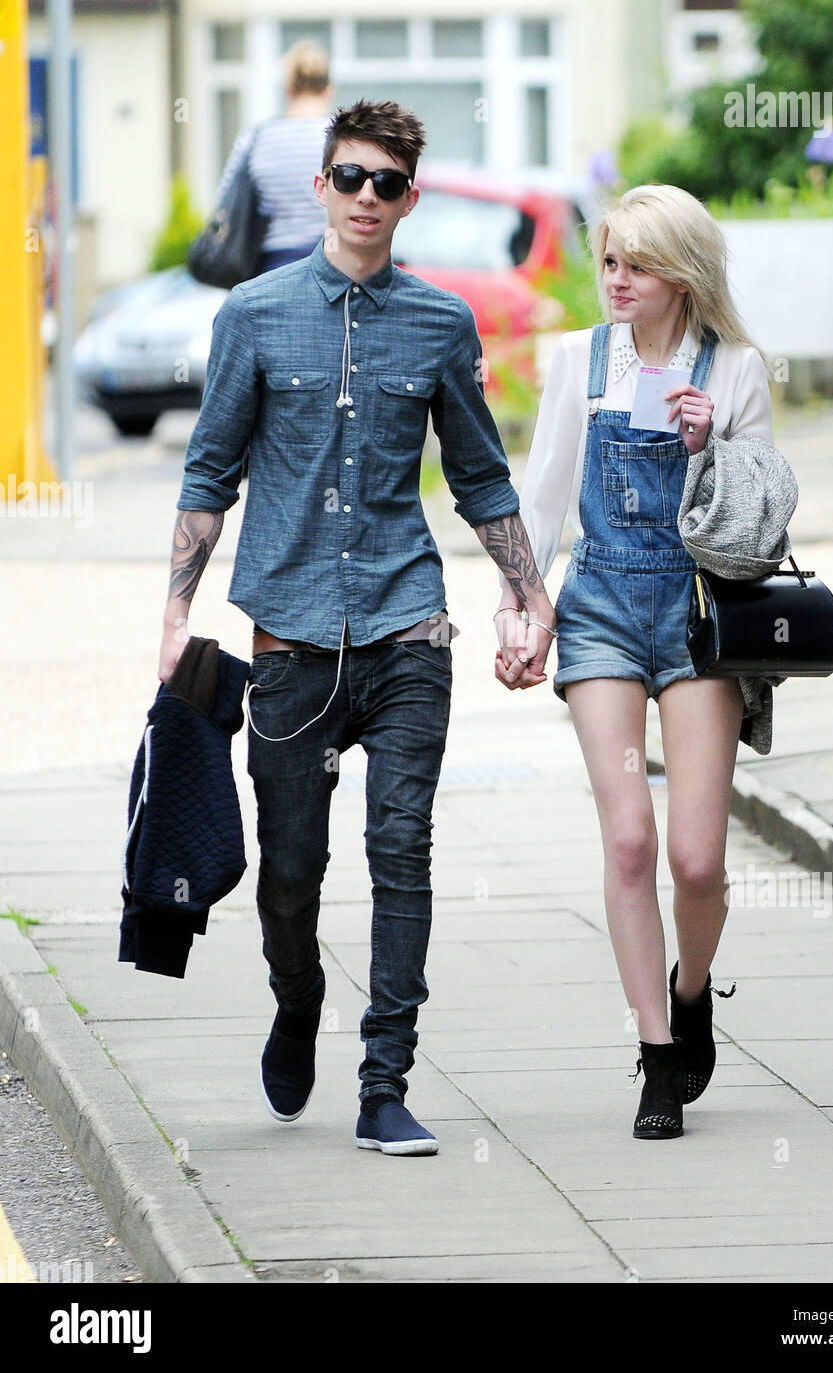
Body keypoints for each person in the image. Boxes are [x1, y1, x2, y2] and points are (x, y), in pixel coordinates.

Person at [159, 99, 555, 1157]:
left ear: (410, 197)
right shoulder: (252, 314)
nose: (368, 196)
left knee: (403, 848)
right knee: (289, 873)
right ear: (321, 186)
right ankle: (296, 1001)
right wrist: (177, 613)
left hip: (407, 626)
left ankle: (386, 1079)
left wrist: (526, 589)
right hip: (287, 639)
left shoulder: (439, 324)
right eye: (352, 177)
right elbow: (210, 471)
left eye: (388, 182)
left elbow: (477, 473)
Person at [494, 184, 797, 1140]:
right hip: (603, 617)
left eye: (637, 263)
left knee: (696, 858)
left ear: (682, 272)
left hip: (700, 617)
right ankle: (657, 1054)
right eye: (611, 261)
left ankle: (693, 987)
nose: (617, 279)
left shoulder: (736, 369)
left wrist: (714, 444)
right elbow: (539, 500)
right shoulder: (578, 360)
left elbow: (762, 511)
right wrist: (521, 607)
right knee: (629, 839)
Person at [211, 38, 334, 276]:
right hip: (333, 263)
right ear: (328, 90)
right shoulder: (342, 137)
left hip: (271, 266)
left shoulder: (256, 138)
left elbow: (225, 200)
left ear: (288, 88)